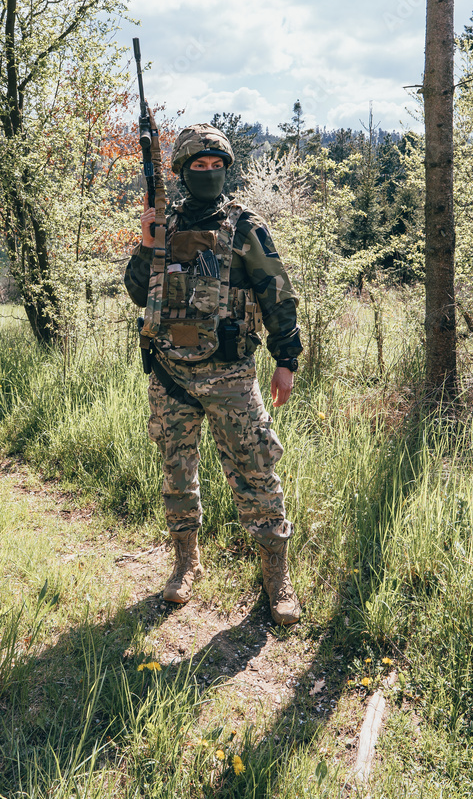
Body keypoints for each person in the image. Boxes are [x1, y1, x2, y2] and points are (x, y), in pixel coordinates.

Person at [124, 122, 303, 625]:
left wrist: (286, 359)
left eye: (215, 165)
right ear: (182, 172)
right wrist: (145, 243)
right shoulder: (164, 224)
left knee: (257, 472)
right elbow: (139, 292)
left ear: (226, 169)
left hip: (229, 375)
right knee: (177, 472)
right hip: (169, 374)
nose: (207, 173)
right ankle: (185, 564)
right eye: (197, 166)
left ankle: (277, 578)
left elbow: (277, 294)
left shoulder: (246, 226)